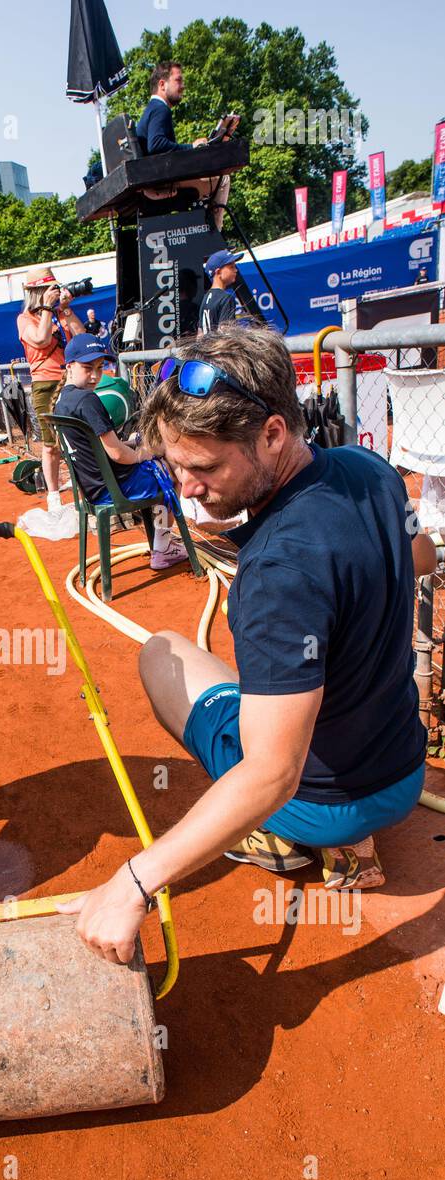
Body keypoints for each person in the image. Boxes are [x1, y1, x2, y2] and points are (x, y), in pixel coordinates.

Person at [60, 325, 437, 964]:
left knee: (162, 654)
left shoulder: (278, 571)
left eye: (203, 467)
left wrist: (132, 885)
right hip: (404, 771)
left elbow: (273, 773)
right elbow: (421, 556)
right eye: (175, 466)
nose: (186, 488)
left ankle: (291, 840)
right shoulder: (372, 469)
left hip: (325, 807)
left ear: (271, 434)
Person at [55, 335, 188, 571]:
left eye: (99, 367)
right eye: (87, 368)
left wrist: (132, 443)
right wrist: (144, 454)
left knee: (154, 457)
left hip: (93, 489)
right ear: (69, 366)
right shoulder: (87, 399)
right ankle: (163, 547)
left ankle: (160, 541)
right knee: (171, 471)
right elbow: (117, 455)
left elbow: (96, 447)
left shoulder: (62, 402)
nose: (95, 376)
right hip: (115, 489)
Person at [17, 265, 86, 511]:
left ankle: (85, 489)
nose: (54, 293)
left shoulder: (59, 313)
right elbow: (42, 339)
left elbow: (81, 335)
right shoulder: (25, 319)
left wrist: (65, 310)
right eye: (49, 289)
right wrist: (47, 308)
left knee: (78, 438)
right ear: (38, 292)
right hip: (45, 383)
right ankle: (53, 495)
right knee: (51, 443)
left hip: (69, 380)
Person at [135, 61, 231, 230]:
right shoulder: (160, 109)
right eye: (178, 81)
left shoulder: (152, 109)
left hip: (156, 182)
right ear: (162, 84)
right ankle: (215, 237)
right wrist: (192, 147)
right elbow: (156, 145)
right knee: (223, 179)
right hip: (162, 184)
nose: (183, 86)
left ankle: (205, 231)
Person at [199, 250, 243, 332]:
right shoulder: (226, 298)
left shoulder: (205, 297)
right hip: (218, 344)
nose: (236, 270)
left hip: (206, 344)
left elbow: (200, 333)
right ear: (218, 272)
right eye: (231, 267)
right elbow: (225, 333)